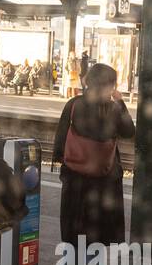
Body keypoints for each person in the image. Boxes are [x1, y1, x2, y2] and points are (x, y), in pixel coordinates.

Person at [52, 62, 135, 249]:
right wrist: (120, 102)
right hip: (104, 177)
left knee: (74, 221)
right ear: (107, 85)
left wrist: (64, 166)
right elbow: (129, 131)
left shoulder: (74, 104)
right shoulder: (113, 109)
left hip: (75, 177)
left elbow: (61, 138)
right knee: (99, 225)